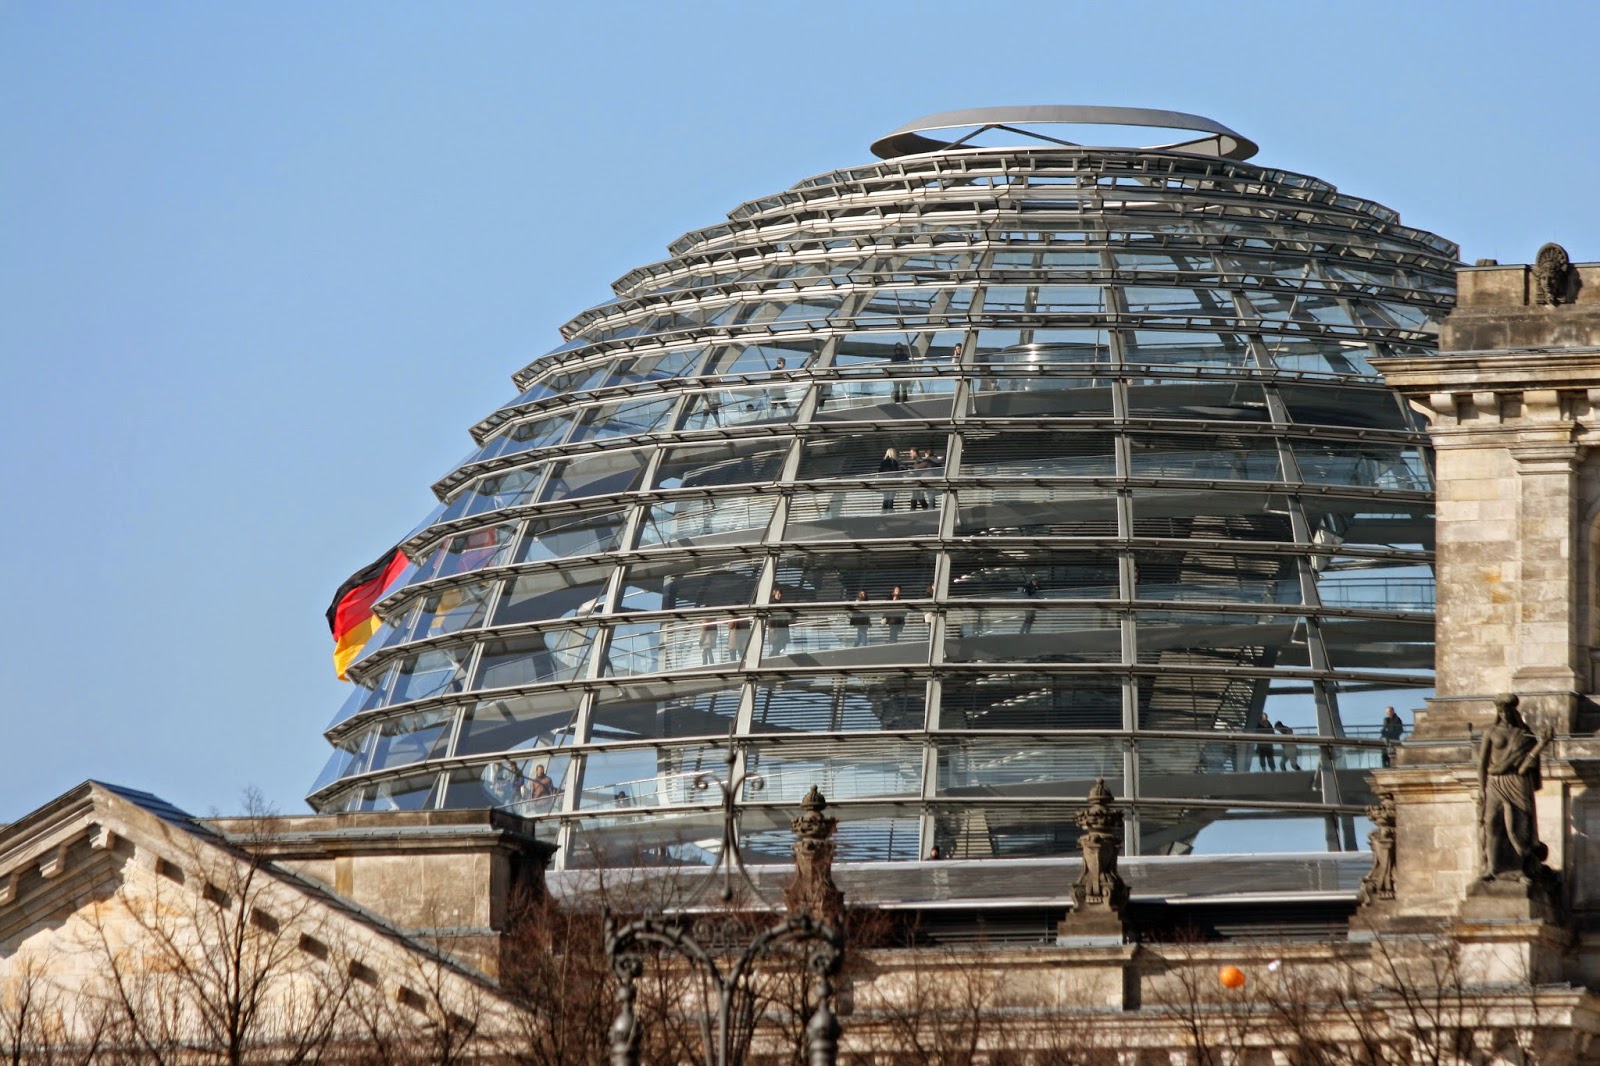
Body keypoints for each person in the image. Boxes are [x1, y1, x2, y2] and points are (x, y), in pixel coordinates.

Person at [1478, 693, 1553, 881]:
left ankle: (1520, 869)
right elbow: (1482, 764)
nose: (1504, 714)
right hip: (1494, 782)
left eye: (1507, 711)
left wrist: (1542, 744)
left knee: (1518, 827)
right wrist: (1481, 788)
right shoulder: (1491, 732)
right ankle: (1493, 868)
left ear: (1513, 711)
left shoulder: (1524, 734)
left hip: (1517, 782)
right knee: (1492, 824)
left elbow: (1525, 767)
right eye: (1500, 711)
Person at [768, 588, 791, 655]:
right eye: (778, 594)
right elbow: (771, 618)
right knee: (777, 647)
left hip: (780, 629)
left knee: (778, 648)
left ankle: (770, 660)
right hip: (776, 629)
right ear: (774, 594)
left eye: (780, 594)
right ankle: (768, 660)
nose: (779, 595)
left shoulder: (780, 604)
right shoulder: (772, 604)